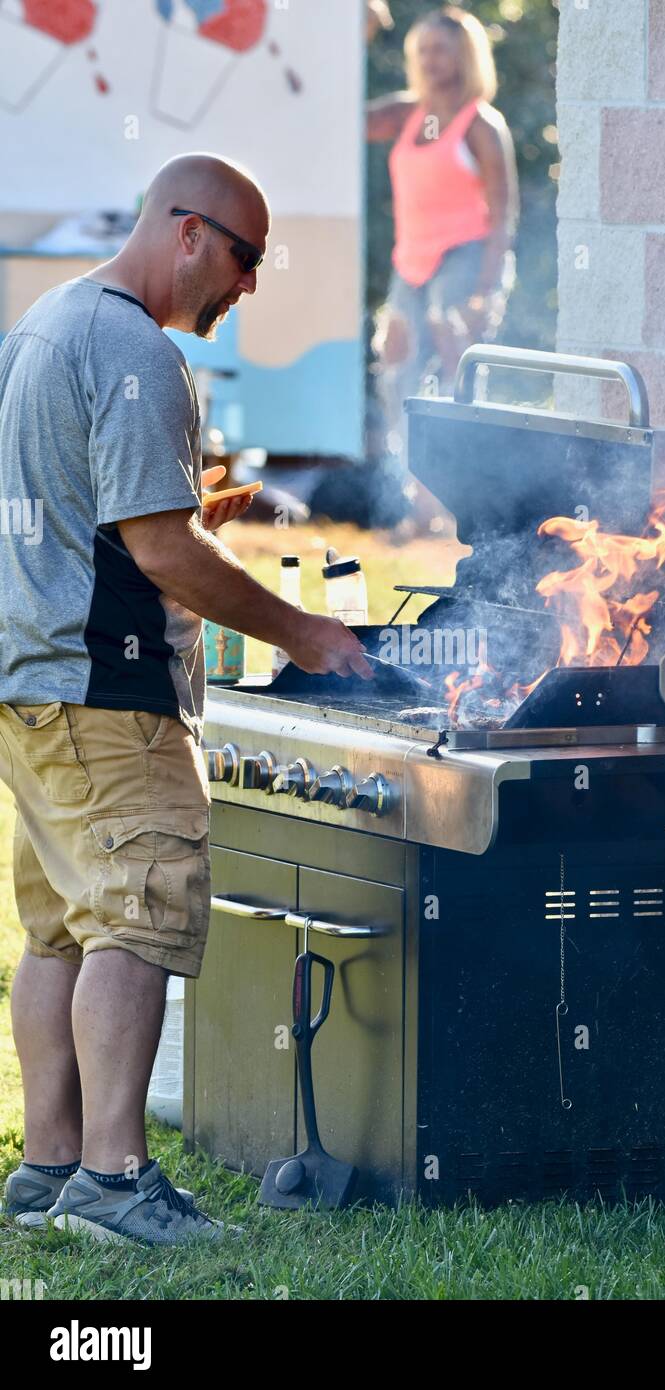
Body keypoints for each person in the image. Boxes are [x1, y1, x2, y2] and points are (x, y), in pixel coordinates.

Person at [0, 153, 372, 1246]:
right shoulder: (132, 348)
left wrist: (192, 509)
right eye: (245, 259)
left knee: (62, 924)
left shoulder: (47, 323)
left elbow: (85, 504)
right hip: (105, 686)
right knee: (139, 913)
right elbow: (159, 548)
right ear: (189, 232)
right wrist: (308, 631)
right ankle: (116, 1182)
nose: (248, 286)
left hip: (32, 679)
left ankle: (50, 1169)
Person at [366, 4, 519, 511]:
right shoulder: (407, 113)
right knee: (397, 370)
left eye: (442, 49)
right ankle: (418, 500)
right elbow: (340, 114)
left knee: (457, 365)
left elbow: (502, 216)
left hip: (466, 256)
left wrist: (484, 291)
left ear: (466, 56)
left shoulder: (482, 125)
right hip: (409, 263)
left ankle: (468, 496)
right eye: (422, 50)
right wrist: (358, 34)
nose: (430, 60)